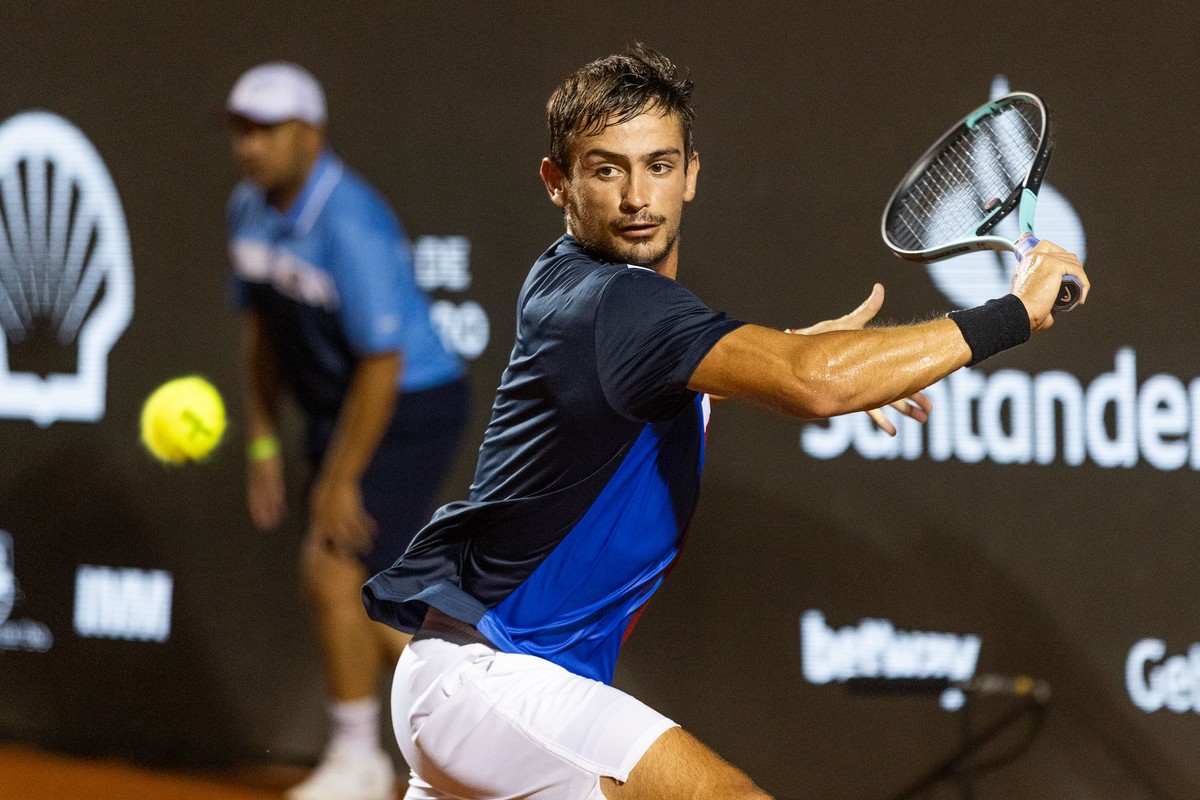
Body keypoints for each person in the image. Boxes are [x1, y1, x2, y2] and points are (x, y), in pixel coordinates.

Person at [363, 44, 1088, 800]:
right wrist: (1014, 312)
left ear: (691, 174)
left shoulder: (577, 287)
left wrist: (800, 357)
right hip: (491, 680)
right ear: (558, 183)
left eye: (659, 165)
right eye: (607, 170)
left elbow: (678, 388)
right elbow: (813, 385)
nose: (638, 197)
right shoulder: (620, 303)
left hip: (475, 686)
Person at [224, 62, 469, 800]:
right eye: (241, 129)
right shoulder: (245, 210)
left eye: (267, 129)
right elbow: (262, 336)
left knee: (335, 569)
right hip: (341, 412)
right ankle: (448, 741)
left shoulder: (351, 221)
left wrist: (340, 478)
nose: (250, 145)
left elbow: (381, 364)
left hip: (409, 406)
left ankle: (404, 753)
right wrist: (262, 441)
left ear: (311, 134)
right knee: (356, 584)